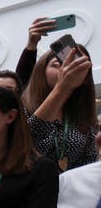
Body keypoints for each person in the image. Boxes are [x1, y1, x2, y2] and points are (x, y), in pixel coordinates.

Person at [23, 44, 97, 172]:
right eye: (57, 65)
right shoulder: (21, 108)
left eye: (71, 66)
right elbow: (27, 139)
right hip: (32, 187)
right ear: (41, 69)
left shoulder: (79, 116)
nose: (64, 70)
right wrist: (63, 87)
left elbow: (88, 164)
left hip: (69, 188)